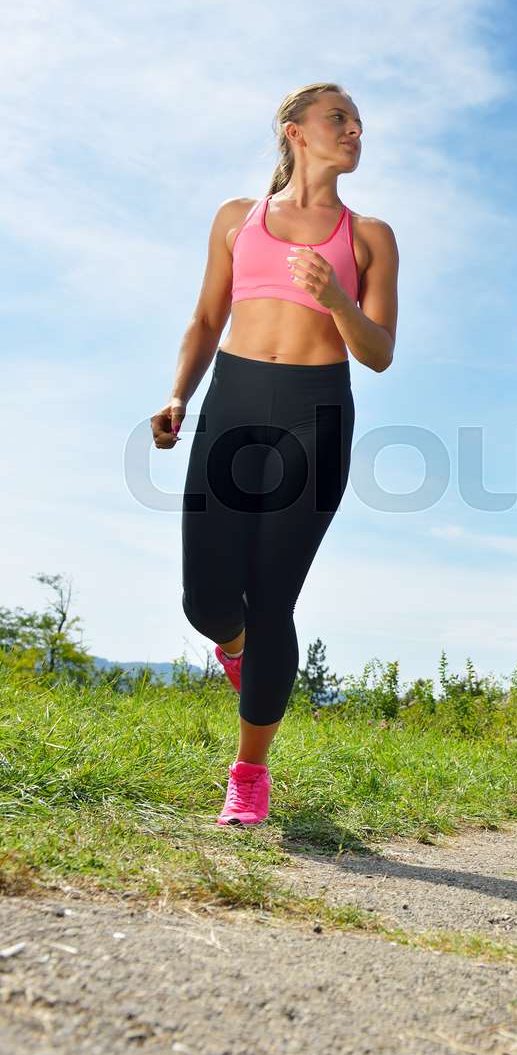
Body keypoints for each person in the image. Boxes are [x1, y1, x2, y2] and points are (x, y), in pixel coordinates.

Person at [150, 83, 398, 825]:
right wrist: (178, 396)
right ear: (295, 132)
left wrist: (338, 299)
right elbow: (204, 316)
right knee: (207, 601)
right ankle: (237, 649)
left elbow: (378, 351)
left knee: (275, 596)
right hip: (232, 401)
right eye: (339, 120)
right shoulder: (238, 219)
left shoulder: (368, 236)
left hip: (316, 414)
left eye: (358, 121)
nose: (354, 131)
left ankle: (249, 772)